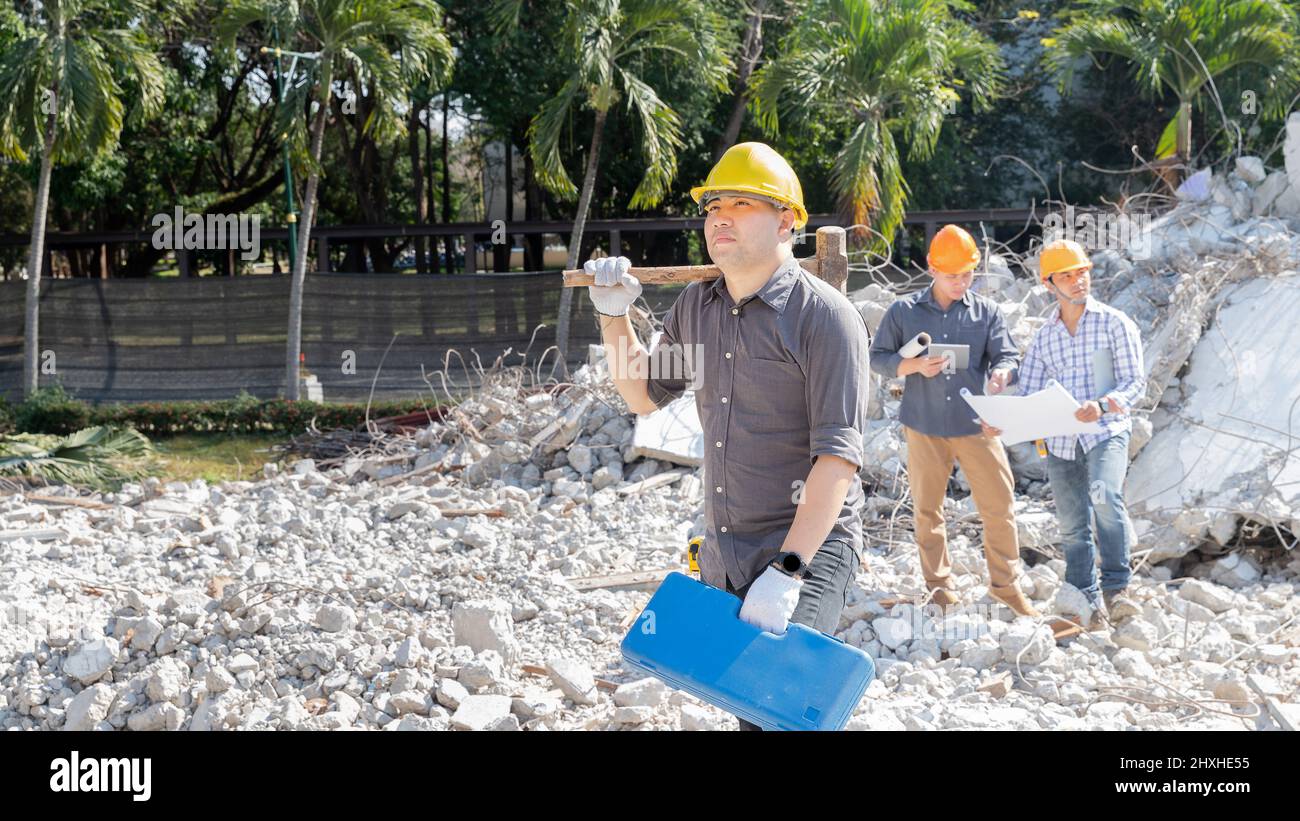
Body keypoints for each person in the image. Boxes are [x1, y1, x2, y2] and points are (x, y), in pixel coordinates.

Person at [586, 142, 871, 730]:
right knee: (751, 712)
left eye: (743, 203)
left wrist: (788, 569)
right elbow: (643, 394)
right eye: (714, 204)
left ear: (787, 219)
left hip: (809, 552)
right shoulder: (699, 306)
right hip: (728, 550)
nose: (721, 216)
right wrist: (613, 314)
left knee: (785, 712)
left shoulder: (825, 317)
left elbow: (837, 462)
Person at [869, 225, 1039, 617]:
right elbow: (877, 358)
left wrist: (1002, 374)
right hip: (923, 425)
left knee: (999, 506)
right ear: (931, 268)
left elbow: (1007, 357)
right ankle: (940, 587)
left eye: (967, 275)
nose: (961, 283)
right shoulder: (903, 312)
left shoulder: (987, 313)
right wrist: (910, 365)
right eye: (952, 276)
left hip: (975, 426)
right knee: (928, 510)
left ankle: (1005, 588)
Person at [998, 239, 1145, 629]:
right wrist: (1004, 419)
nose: (1078, 281)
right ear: (1050, 284)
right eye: (1067, 275)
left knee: (1105, 494)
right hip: (1061, 440)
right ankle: (1083, 596)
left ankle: (1118, 589)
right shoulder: (1046, 337)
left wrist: (1103, 403)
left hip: (1106, 430)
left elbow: (1135, 383)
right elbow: (1028, 391)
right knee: (1071, 522)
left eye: (1082, 272)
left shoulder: (1115, 324)